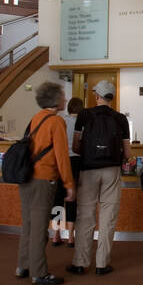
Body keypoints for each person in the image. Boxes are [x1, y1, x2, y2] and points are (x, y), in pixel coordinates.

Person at [15, 81, 75, 285]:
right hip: (44, 179)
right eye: (62, 96)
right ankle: (39, 272)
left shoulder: (36, 118)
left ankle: (23, 265)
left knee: (28, 225)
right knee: (40, 228)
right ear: (55, 99)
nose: (65, 99)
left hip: (27, 178)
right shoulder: (56, 122)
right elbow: (62, 157)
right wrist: (69, 184)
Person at [69, 80, 131, 275]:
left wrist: (89, 153)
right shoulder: (121, 119)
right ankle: (102, 264)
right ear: (112, 97)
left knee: (85, 216)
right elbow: (127, 153)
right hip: (112, 171)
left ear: (96, 96)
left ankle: (80, 262)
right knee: (107, 218)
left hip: (88, 170)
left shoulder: (84, 115)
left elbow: (75, 146)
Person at [51, 96, 84, 246]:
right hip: (76, 161)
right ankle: (71, 237)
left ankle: (56, 234)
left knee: (58, 199)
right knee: (72, 200)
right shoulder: (83, 123)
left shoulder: (61, 121)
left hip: (60, 161)